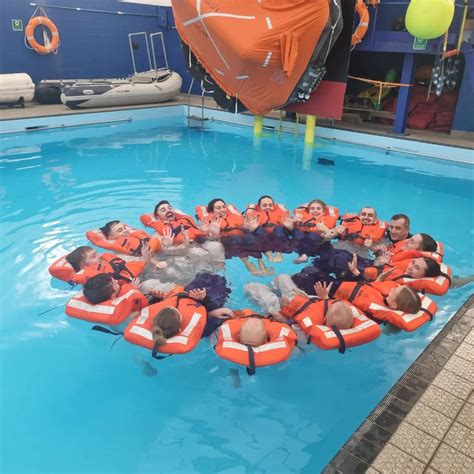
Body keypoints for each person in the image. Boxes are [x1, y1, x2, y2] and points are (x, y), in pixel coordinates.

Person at [198, 198, 274, 276]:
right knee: (236, 239)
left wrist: (250, 228)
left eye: (224, 207)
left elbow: (244, 228)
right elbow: (212, 242)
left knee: (250, 237)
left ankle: (260, 261)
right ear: (212, 211)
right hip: (229, 246)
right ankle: (247, 263)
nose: (222, 210)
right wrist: (215, 232)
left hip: (240, 238)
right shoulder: (209, 223)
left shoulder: (234, 216)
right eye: (218, 208)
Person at [50, 245, 167, 285]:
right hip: (136, 284)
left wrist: (149, 260)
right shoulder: (95, 280)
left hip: (139, 273)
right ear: (84, 267)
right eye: (93, 256)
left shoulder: (107, 261)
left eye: (96, 253)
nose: (100, 256)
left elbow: (130, 265)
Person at [244, 195, 293, 263]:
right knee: (259, 230)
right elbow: (244, 234)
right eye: (264, 205)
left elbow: (292, 233)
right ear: (259, 207)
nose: (268, 207)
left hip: (279, 240)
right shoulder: (252, 216)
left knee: (279, 228)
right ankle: (269, 256)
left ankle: (279, 255)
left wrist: (290, 227)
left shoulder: (282, 214)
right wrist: (251, 229)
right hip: (262, 242)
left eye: (270, 205)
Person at [290, 199, 339, 264]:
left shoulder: (328, 220)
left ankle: (305, 255)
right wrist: (292, 221)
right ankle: (304, 255)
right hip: (302, 246)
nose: (315, 210)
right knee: (297, 232)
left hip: (321, 246)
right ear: (309, 211)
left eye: (318, 209)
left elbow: (333, 235)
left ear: (324, 212)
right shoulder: (301, 218)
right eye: (312, 209)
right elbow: (290, 230)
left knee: (314, 235)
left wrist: (325, 229)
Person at [141, 200, 209, 245]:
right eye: (163, 210)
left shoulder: (186, 222)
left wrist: (207, 231)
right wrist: (168, 246)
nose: (168, 210)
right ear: (158, 217)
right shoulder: (159, 235)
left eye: (170, 208)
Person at [86, 220, 162, 257]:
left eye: (124, 228)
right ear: (111, 238)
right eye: (120, 230)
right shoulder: (121, 256)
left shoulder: (136, 238)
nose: (125, 230)